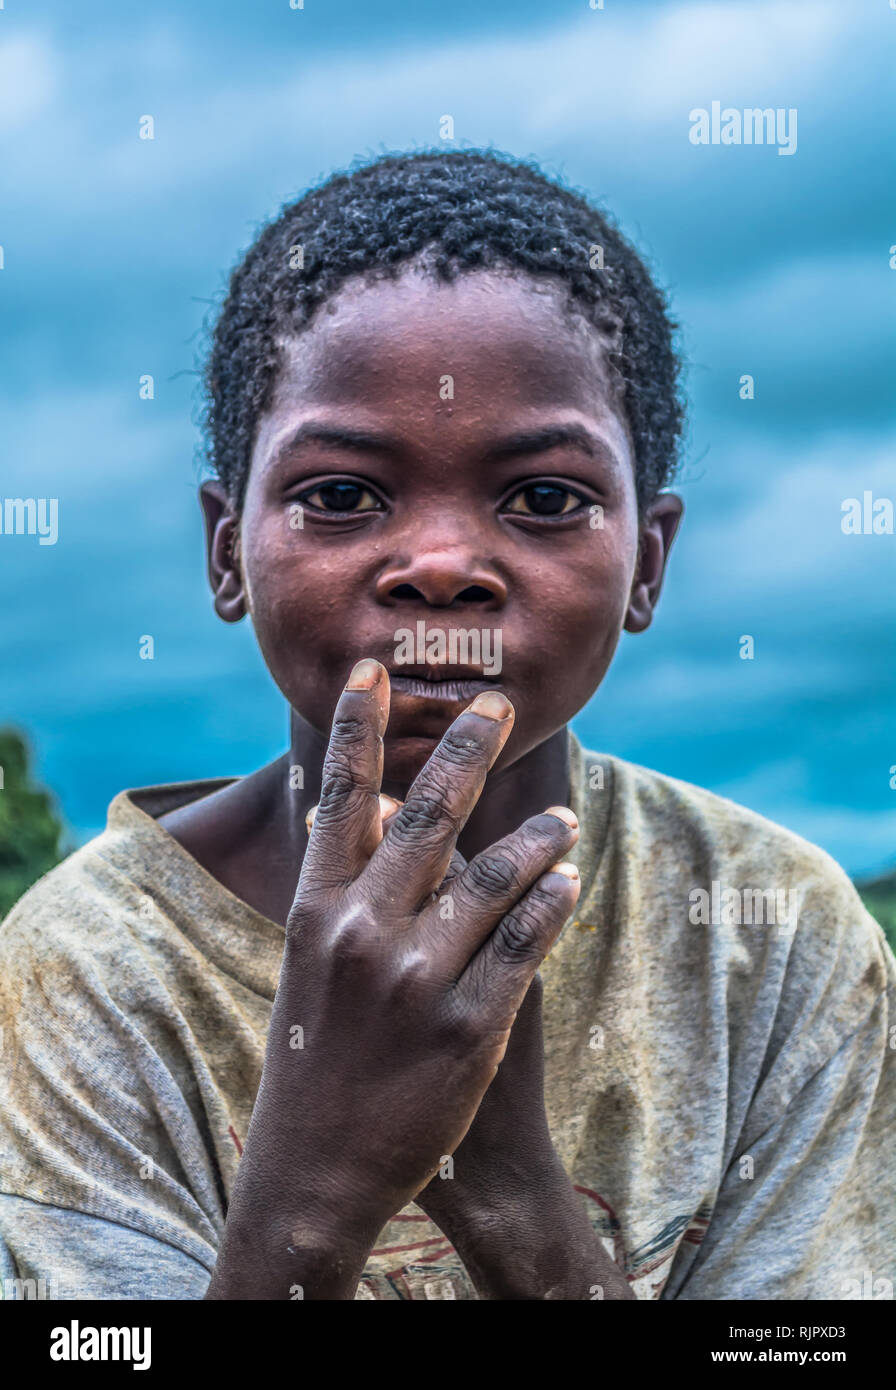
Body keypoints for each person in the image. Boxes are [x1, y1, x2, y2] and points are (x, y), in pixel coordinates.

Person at [1, 149, 893, 1301]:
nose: (438, 566)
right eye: (339, 494)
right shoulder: (83, 981)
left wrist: (515, 1192)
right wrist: (313, 1193)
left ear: (646, 561)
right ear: (227, 549)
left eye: (542, 499)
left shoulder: (769, 938)